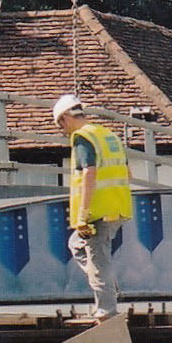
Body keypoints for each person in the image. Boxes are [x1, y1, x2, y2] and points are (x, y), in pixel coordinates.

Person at [53, 93, 132, 321]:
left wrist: (83, 215)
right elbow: (127, 173)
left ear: (66, 118)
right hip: (116, 207)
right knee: (76, 245)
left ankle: (106, 312)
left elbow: (89, 173)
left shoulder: (82, 137)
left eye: (61, 124)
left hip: (97, 212)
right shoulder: (108, 135)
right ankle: (111, 289)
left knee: (98, 262)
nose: (63, 130)